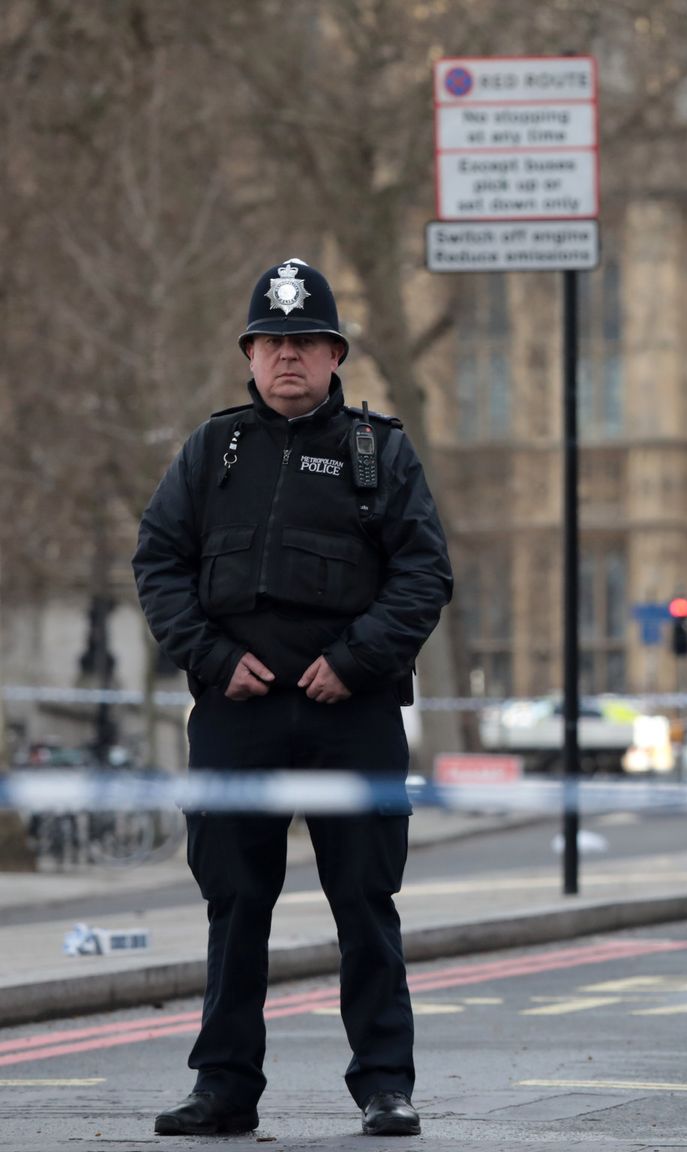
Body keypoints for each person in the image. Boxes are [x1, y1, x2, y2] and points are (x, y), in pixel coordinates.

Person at [133, 258, 452, 1138]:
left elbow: (425, 573)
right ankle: (224, 1087)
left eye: (305, 342)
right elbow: (158, 562)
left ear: (335, 354)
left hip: (351, 714)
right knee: (235, 906)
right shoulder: (211, 450)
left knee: (365, 904)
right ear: (248, 353)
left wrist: (353, 661)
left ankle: (386, 1083)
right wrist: (208, 656)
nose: (287, 358)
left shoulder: (377, 450)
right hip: (238, 714)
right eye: (271, 342)